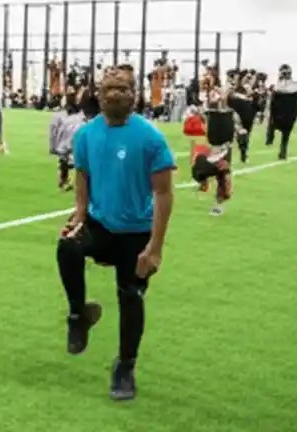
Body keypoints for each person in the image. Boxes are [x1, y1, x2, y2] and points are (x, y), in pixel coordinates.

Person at [56, 66, 174, 402]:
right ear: (99, 93)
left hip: (136, 233)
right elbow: (82, 175)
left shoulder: (150, 138)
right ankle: (79, 314)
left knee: (130, 298)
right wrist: (80, 212)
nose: (115, 94)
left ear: (134, 94)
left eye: (123, 88)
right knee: (68, 247)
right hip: (100, 226)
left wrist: (155, 246)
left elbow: (164, 193)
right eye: (109, 88)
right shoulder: (87, 134)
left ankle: (125, 366)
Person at [182, 88, 241, 216]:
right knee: (197, 167)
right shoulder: (207, 112)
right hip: (209, 146)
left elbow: (239, 129)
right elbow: (194, 115)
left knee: (222, 175)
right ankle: (203, 182)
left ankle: (219, 205)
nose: (216, 99)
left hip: (224, 147)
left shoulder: (232, 114)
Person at [49, 93, 85, 191]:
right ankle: (66, 181)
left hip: (65, 143)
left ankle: (65, 181)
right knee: (71, 162)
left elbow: (53, 131)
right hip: (73, 143)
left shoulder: (59, 115)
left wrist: (52, 146)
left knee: (65, 161)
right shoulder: (80, 116)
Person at [266, 64, 297, 159]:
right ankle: (282, 153)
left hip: (281, 113)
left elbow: (272, 102)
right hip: (288, 114)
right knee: (285, 135)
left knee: (273, 125)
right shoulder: (294, 86)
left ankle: (270, 138)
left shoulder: (278, 86)